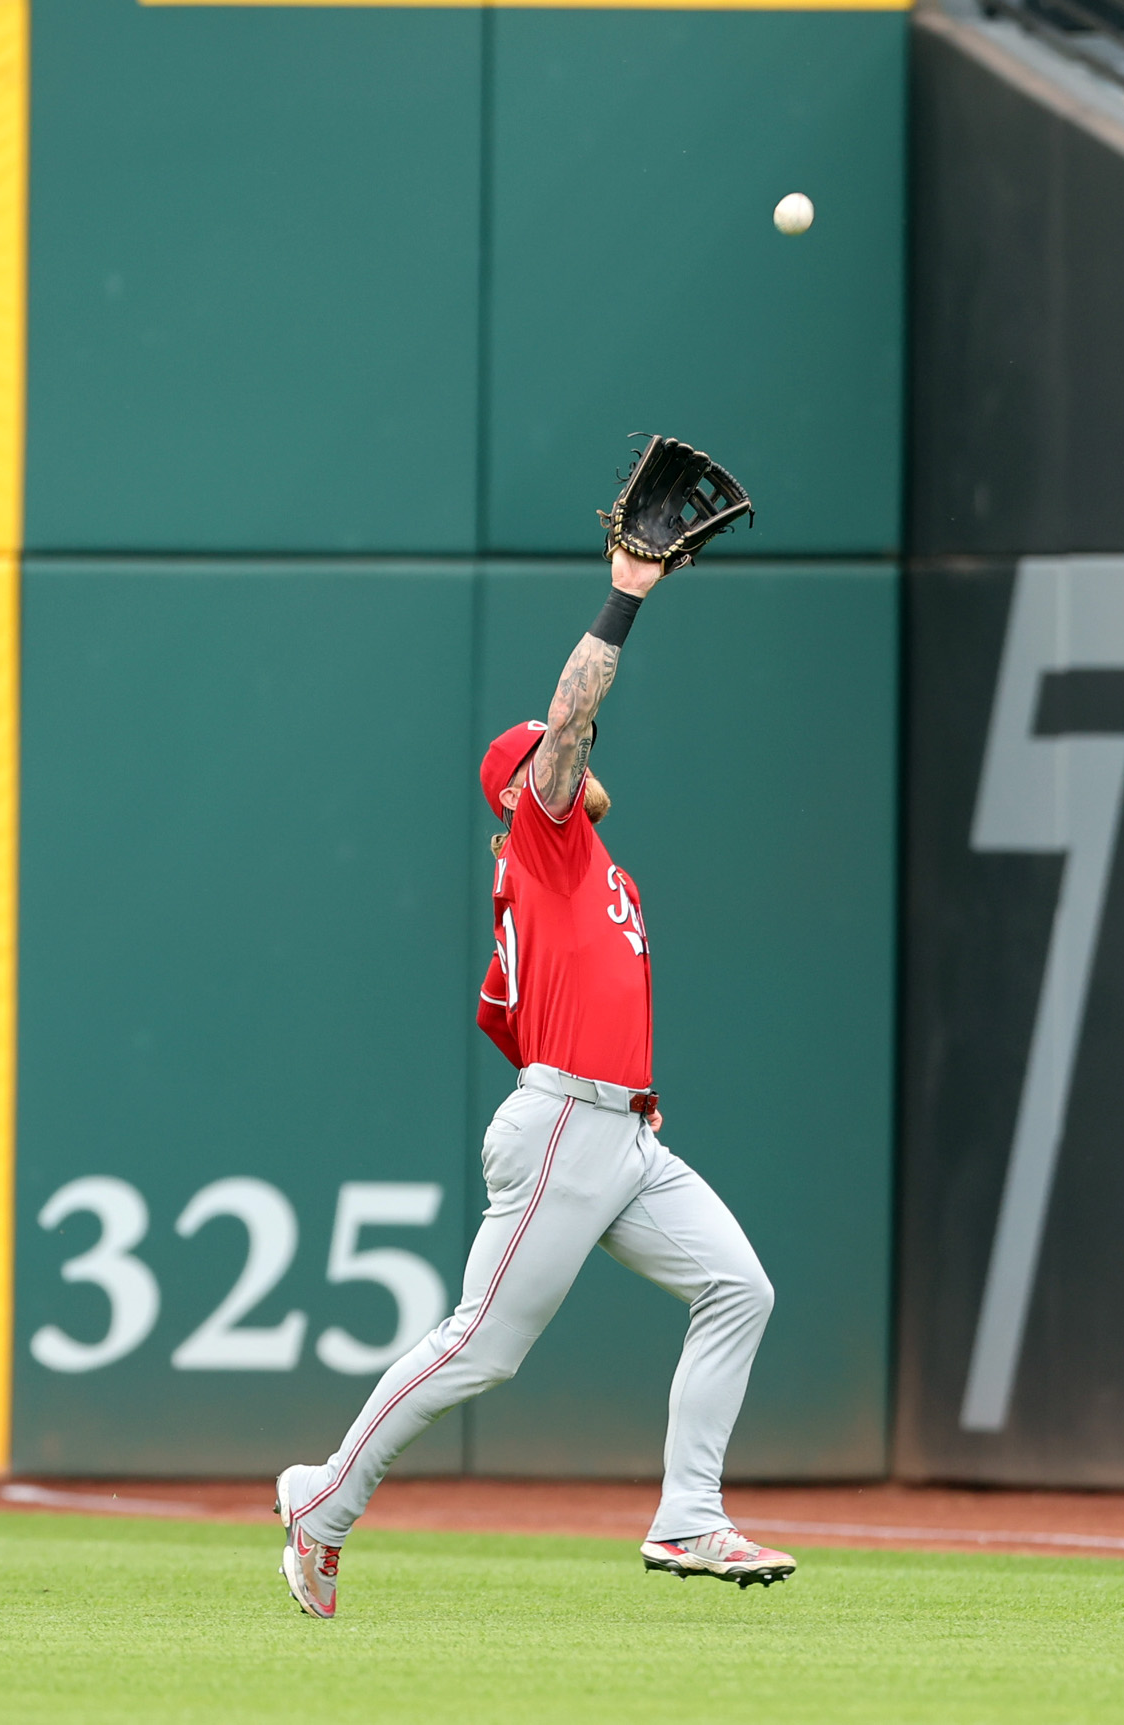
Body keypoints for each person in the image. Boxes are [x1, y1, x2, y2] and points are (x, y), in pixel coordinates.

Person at [276, 548, 792, 1618]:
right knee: (481, 1347)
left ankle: (688, 1517)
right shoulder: (544, 836)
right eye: (556, 754)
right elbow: (565, 722)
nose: (579, 752)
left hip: (616, 1133)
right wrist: (627, 593)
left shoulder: (595, 867)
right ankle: (324, 1501)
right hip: (565, 1126)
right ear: (523, 786)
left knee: (738, 1287)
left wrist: (632, 1101)